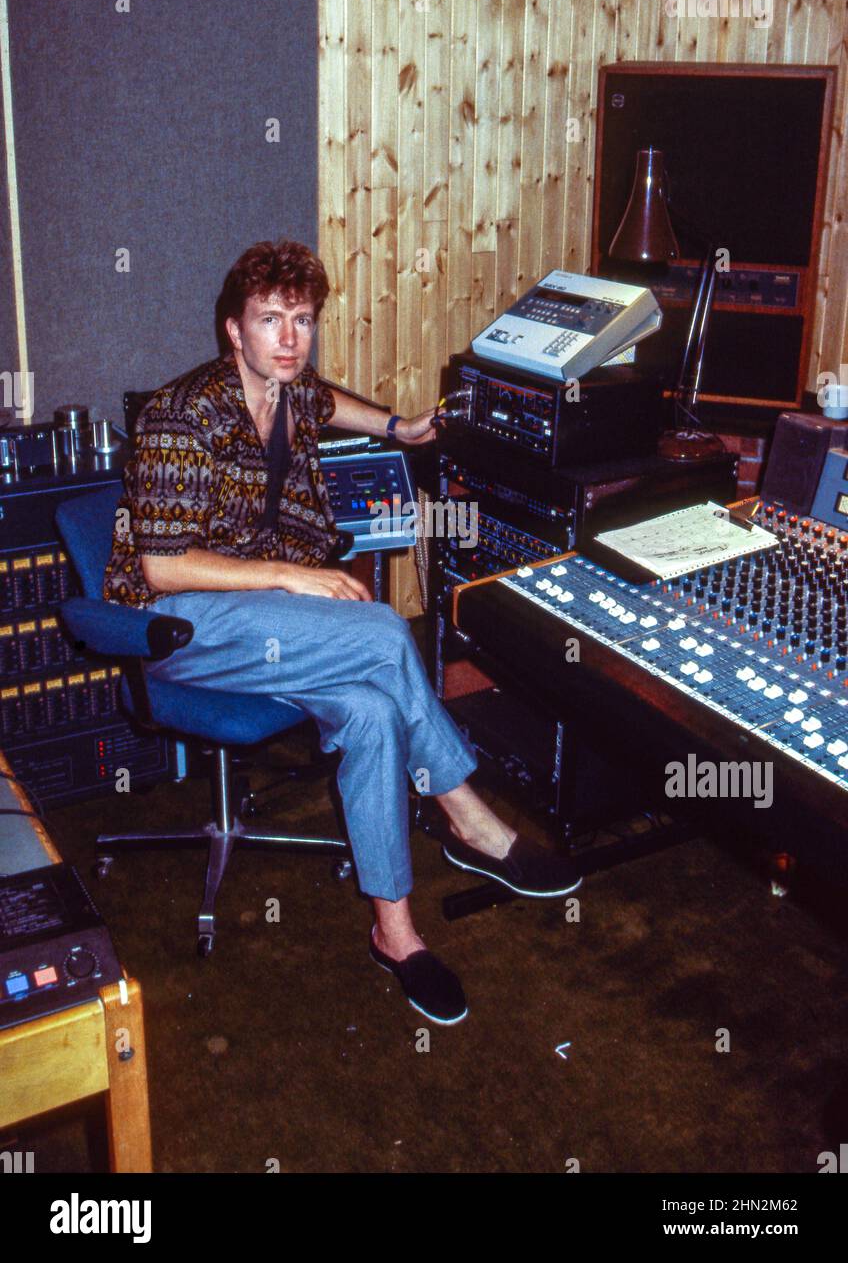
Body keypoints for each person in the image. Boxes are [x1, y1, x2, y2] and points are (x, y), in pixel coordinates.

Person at [103, 238, 581, 1024]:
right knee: (384, 632)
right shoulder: (179, 416)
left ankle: (395, 932)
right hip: (175, 626)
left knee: (370, 709)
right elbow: (160, 564)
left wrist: (401, 426)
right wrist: (289, 574)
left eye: (302, 320)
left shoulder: (290, 391)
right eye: (269, 321)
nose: (289, 339)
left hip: (256, 626)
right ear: (234, 331)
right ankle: (472, 821)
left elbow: (328, 401)